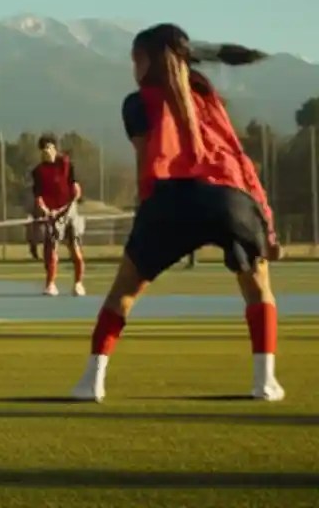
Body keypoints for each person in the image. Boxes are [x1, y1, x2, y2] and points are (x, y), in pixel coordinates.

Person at [72, 24, 283, 402]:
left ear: (151, 61)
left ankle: (92, 381)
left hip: (171, 199)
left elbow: (146, 162)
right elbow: (239, 158)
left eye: (136, 58)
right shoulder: (207, 96)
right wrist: (266, 223)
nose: (133, 67)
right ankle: (264, 382)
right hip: (231, 199)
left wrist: (148, 212)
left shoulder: (137, 103)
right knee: (258, 290)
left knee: (123, 293)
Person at [31, 135, 87, 296]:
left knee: (75, 249)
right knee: (51, 250)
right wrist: (47, 210)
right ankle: (51, 285)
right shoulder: (38, 171)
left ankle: (78, 284)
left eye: (48, 147)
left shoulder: (66, 164)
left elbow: (76, 188)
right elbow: (38, 196)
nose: (46, 151)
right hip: (53, 215)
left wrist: (68, 205)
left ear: (55, 148)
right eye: (43, 149)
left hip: (70, 212)